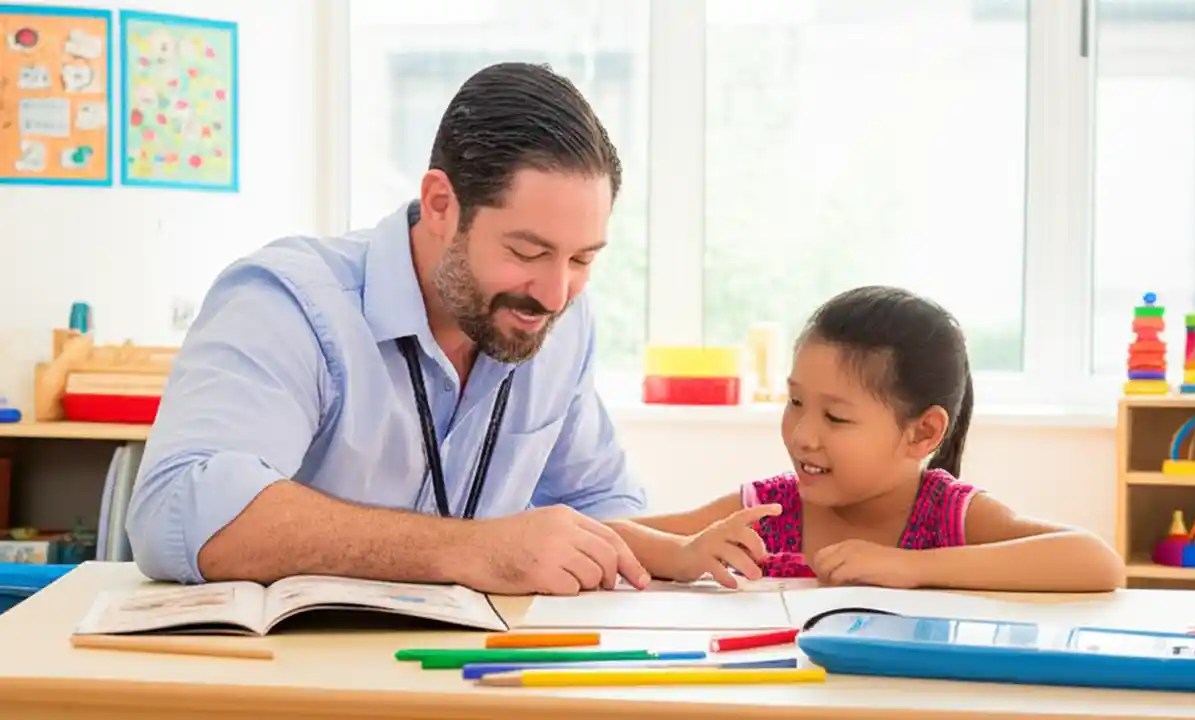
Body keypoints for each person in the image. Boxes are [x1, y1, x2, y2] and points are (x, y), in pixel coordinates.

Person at [126, 62, 653, 595]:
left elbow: (602, 506)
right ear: (441, 205)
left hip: (481, 669)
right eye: (527, 252)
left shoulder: (557, 321)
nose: (555, 294)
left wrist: (701, 538)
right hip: (292, 671)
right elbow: (177, 508)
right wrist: (471, 549)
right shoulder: (289, 302)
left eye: (582, 259)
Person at [610, 286, 1125, 592]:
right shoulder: (768, 511)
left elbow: (1096, 562)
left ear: (922, 432)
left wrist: (912, 567)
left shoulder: (949, 516)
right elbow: (609, 535)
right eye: (794, 403)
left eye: (835, 418)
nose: (802, 435)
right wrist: (686, 554)